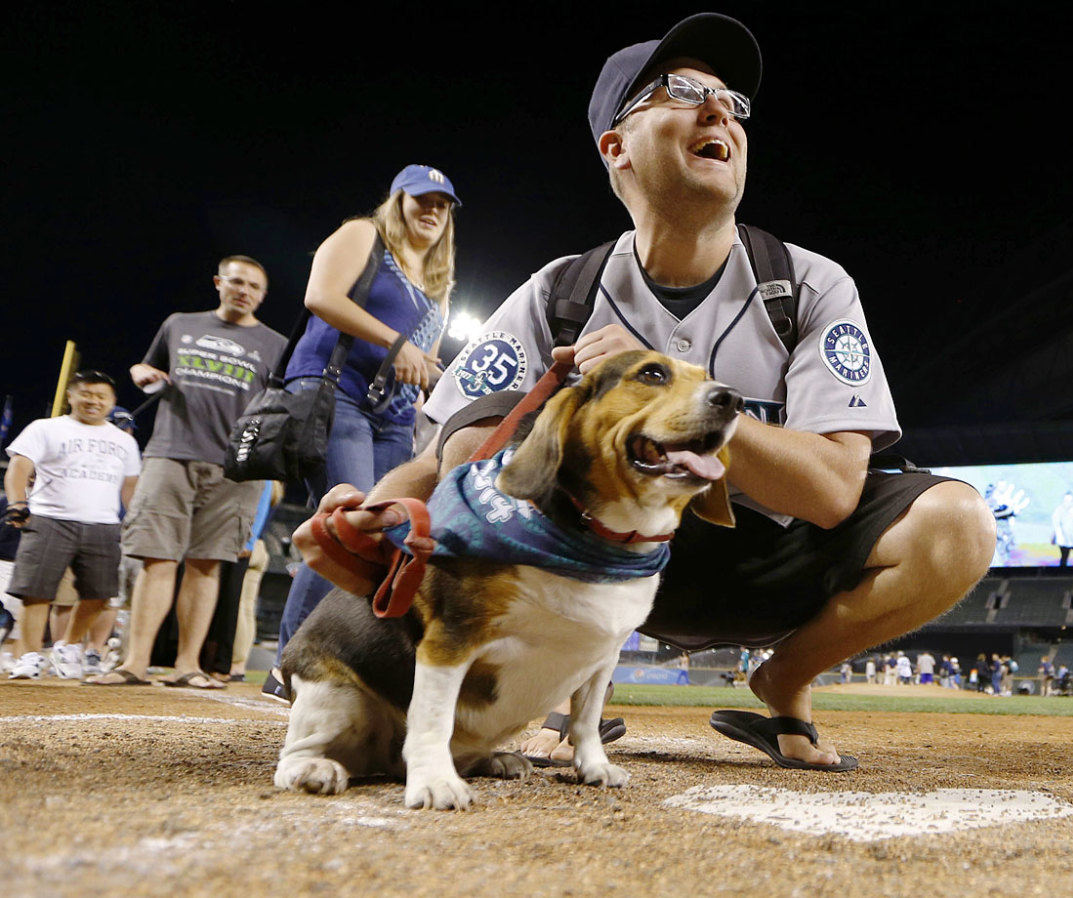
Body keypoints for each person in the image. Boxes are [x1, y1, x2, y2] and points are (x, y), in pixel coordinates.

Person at [295, 13, 994, 769]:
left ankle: (785, 677)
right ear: (616, 145)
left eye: (730, 99)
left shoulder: (807, 282)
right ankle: (562, 692)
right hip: (602, 563)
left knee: (959, 523)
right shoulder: (561, 291)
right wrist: (374, 516)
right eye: (682, 90)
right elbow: (451, 461)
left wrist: (664, 386)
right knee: (490, 455)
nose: (718, 107)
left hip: (784, 560)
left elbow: (830, 490)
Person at [262, 166, 461, 701]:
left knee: (383, 535)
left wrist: (436, 380)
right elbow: (320, 296)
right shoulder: (364, 235)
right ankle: (293, 668)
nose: (433, 211)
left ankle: (342, 659)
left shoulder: (438, 288)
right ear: (397, 201)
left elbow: (418, 361)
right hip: (336, 394)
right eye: (422, 199)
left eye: (443, 204)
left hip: (393, 416)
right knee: (347, 524)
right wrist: (401, 345)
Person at [87, 256, 286, 688]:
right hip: (169, 453)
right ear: (218, 282)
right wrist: (141, 372)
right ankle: (133, 663)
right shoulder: (179, 323)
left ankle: (188, 666)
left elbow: (281, 409)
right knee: (156, 559)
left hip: (236, 465)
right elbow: (147, 365)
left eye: (253, 286)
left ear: (262, 295)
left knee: (206, 564)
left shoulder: (277, 345)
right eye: (236, 282)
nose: (244, 291)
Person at [4, 371, 140, 679]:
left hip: (104, 524)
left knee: (101, 595)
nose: (93, 401)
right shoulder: (45, 428)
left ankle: (68, 645)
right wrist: (17, 502)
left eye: (101, 396)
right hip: (50, 518)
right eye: (86, 394)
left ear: (112, 401)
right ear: (71, 396)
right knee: (35, 591)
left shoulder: (124, 441)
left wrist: (134, 519)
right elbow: (20, 466)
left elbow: (131, 486)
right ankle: (29, 655)